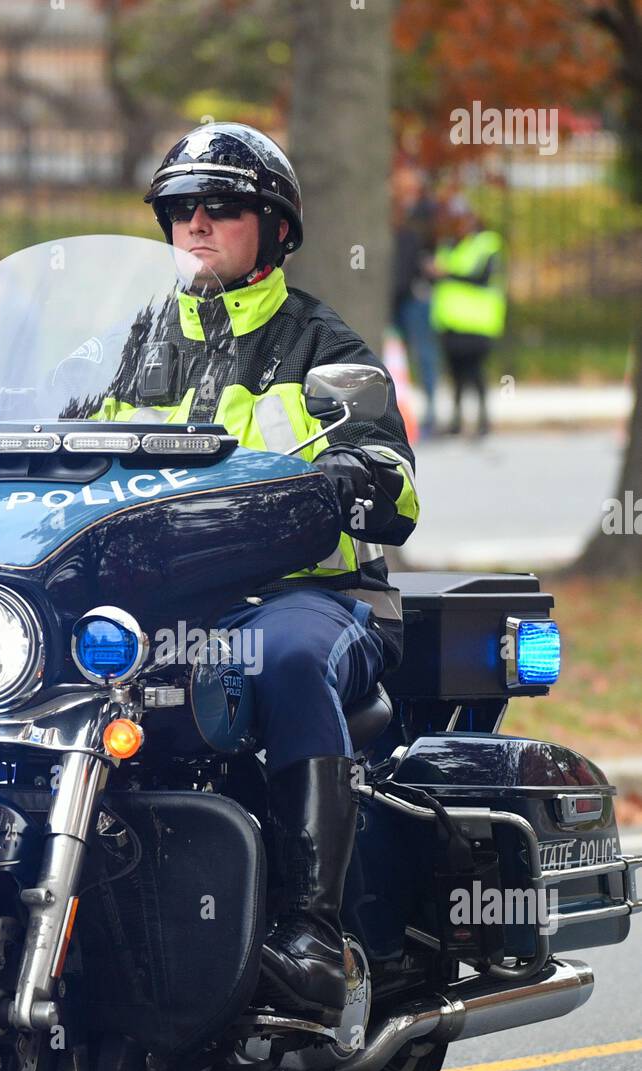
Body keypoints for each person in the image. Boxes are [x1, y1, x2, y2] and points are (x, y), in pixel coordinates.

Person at [137, 122, 419, 1025]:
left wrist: (355, 475)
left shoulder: (323, 347)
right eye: (181, 207)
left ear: (277, 228)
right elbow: (26, 431)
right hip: (158, 604)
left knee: (283, 661)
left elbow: (400, 494)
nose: (198, 223)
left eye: (222, 205)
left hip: (311, 599)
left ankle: (312, 930)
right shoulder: (126, 347)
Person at [427, 200, 506, 437]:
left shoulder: (487, 244)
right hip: (450, 322)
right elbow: (436, 279)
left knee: (475, 372)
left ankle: (483, 420)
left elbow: (481, 277)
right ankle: (457, 420)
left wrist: (447, 273)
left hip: (478, 322)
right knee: (456, 374)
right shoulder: (448, 246)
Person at [391, 165, 440, 437]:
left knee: (424, 353)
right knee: (397, 356)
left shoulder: (426, 214)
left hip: (415, 293)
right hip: (396, 293)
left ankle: (430, 410)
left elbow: (430, 252)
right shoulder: (392, 214)